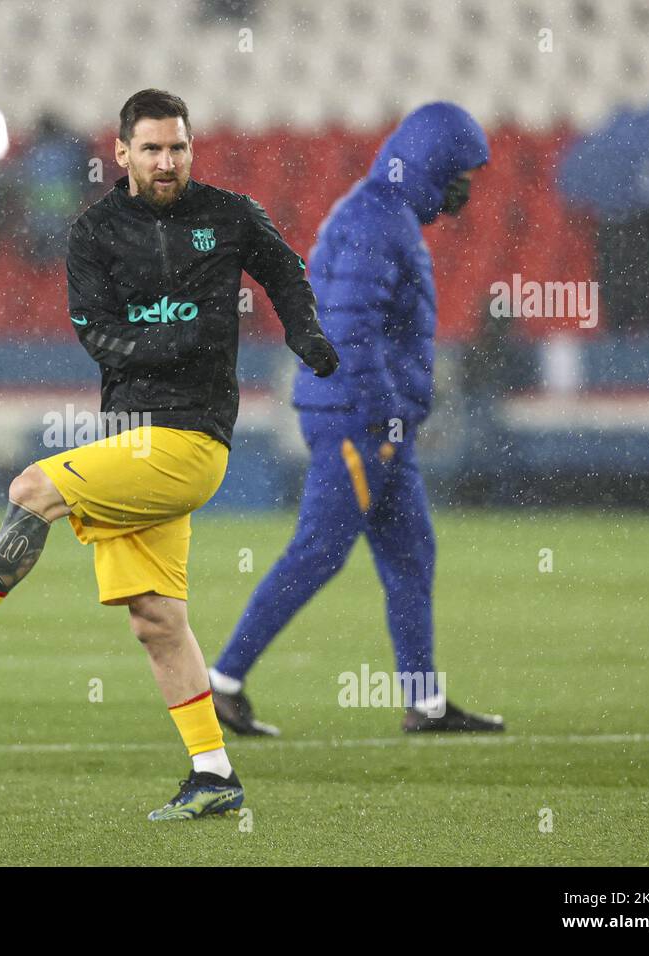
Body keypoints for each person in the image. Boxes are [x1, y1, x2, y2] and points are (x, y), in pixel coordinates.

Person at [0, 89, 339, 820]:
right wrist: (177, 342)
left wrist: (303, 333)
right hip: (129, 439)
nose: (168, 160)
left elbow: (286, 270)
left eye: (177, 147)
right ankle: (214, 775)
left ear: (189, 147)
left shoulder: (229, 215)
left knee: (30, 488)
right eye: (152, 148)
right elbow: (95, 329)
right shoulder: (94, 232)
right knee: (155, 618)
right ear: (122, 153)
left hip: (190, 439)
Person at [208, 102, 506, 736]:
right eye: (460, 172)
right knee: (318, 550)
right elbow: (350, 331)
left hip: (371, 421)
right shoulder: (379, 222)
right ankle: (222, 683)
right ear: (431, 164)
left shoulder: (379, 214)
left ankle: (424, 702)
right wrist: (386, 413)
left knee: (411, 554)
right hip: (360, 422)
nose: (465, 188)